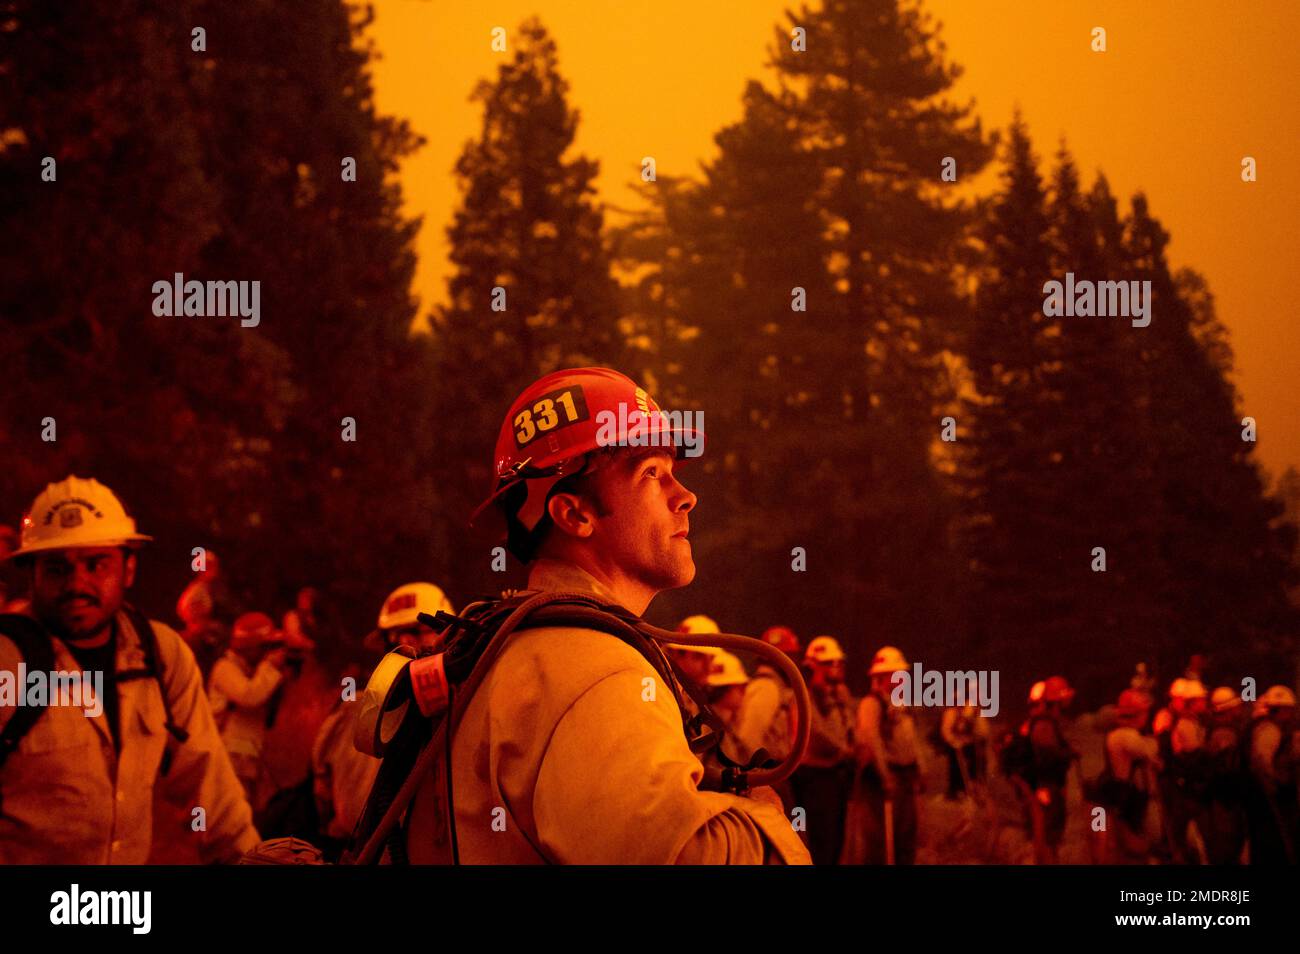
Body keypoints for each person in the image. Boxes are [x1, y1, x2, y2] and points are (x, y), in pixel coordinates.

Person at [395, 367, 810, 863]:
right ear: (574, 515)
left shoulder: (509, 647)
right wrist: (765, 818)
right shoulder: (598, 673)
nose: (685, 496)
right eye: (651, 474)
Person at [0, 475, 259, 863]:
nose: (77, 584)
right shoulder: (8, 663)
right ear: (32, 575)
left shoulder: (161, 656)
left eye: (96, 564)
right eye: (57, 569)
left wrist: (254, 861)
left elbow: (212, 793)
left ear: (129, 569)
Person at [310, 582, 453, 858]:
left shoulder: (460, 708)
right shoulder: (354, 712)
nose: (410, 644)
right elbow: (326, 797)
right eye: (400, 635)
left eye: (420, 631)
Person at [208, 611, 291, 809]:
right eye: (265, 646)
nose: (267, 653)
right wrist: (270, 667)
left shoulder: (253, 671)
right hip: (228, 759)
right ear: (249, 647)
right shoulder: (224, 668)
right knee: (230, 816)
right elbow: (249, 696)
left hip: (248, 760)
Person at [848, 645, 921, 865]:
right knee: (880, 839)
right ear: (882, 676)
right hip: (884, 781)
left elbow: (911, 740)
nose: (903, 679)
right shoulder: (872, 704)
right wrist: (884, 775)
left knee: (906, 835)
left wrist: (920, 769)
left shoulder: (901, 704)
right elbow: (872, 740)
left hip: (905, 777)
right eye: (897, 674)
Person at [790, 635, 855, 865]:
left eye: (838, 663)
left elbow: (849, 725)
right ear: (813, 665)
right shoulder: (803, 695)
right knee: (821, 841)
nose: (835, 668)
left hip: (836, 775)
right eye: (828, 663)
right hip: (814, 777)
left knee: (837, 838)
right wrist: (846, 750)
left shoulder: (838, 695)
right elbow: (815, 733)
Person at [1096, 688, 1161, 863]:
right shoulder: (1129, 737)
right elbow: (1151, 754)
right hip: (1128, 801)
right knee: (1135, 847)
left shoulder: (1115, 735)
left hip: (1120, 800)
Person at [1245, 685, 1297, 864]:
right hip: (1267, 798)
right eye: (1289, 710)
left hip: (1262, 796)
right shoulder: (1269, 730)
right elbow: (1262, 762)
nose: (1291, 714)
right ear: (1280, 709)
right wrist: (1275, 785)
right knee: (1272, 845)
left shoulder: (1263, 727)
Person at [1203, 686, 1248, 864]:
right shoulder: (1224, 733)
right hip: (1224, 799)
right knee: (1226, 843)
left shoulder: (1222, 730)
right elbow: (1226, 770)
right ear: (1227, 709)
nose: (1240, 709)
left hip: (1225, 797)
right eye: (1236, 706)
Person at [175, 549, 235, 678]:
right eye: (209, 566)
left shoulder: (208, 589)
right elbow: (187, 611)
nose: (214, 570)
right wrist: (204, 624)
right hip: (199, 635)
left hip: (205, 634)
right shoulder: (197, 591)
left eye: (214, 566)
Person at [940, 675, 988, 800]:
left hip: (969, 743)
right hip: (955, 745)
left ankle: (975, 788)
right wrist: (954, 742)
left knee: (977, 764)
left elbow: (977, 726)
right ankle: (955, 790)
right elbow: (946, 731)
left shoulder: (970, 708)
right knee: (955, 766)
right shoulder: (950, 713)